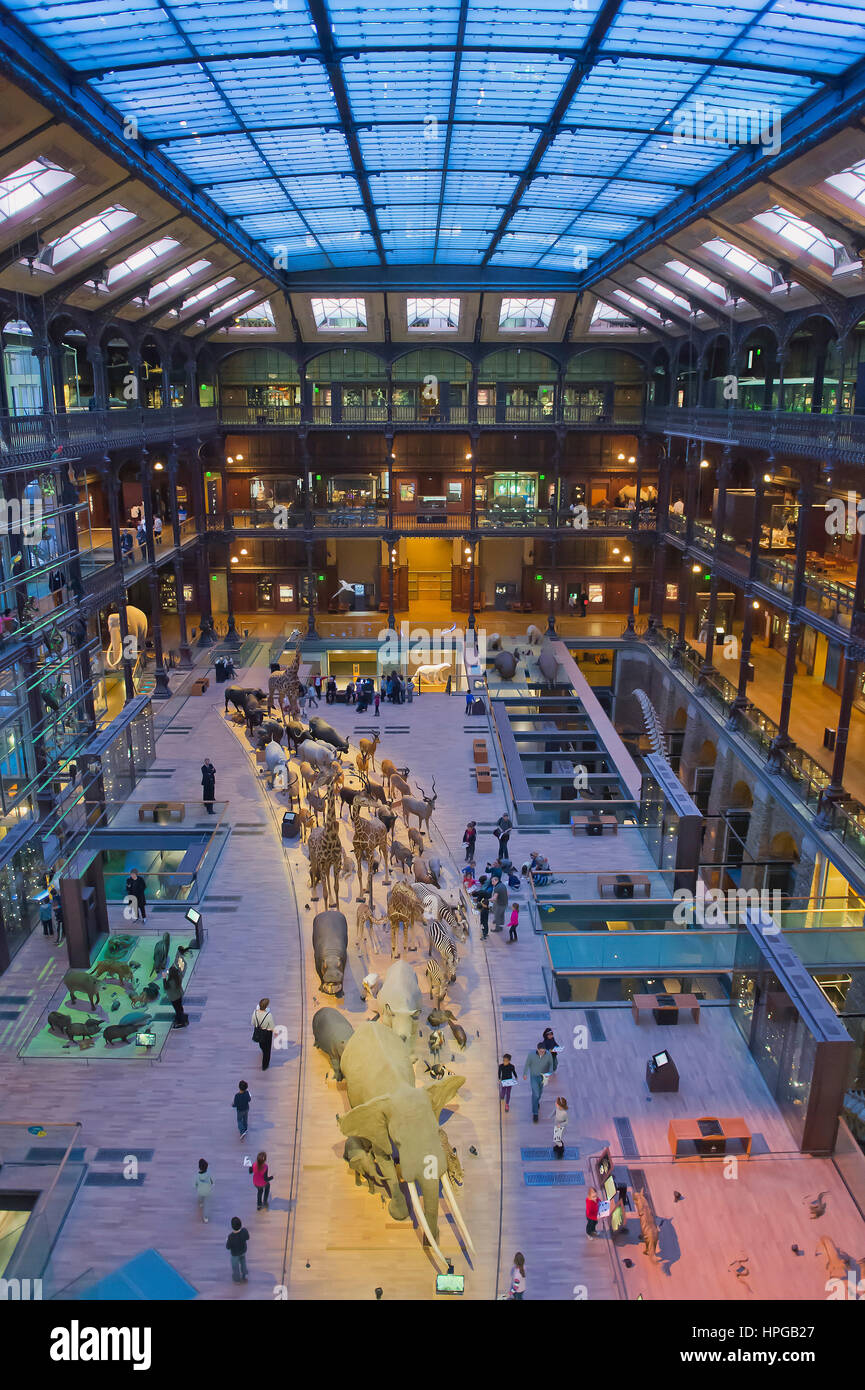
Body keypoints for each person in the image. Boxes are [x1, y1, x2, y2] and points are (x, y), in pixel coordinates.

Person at [523, 1043, 553, 1122]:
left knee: (540, 1093)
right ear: (537, 1049)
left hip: (543, 1076)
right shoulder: (531, 1055)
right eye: (541, 1051)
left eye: (543, 1052)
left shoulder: (548, 1054)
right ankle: (535, 1113)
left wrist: (549, 1073)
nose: (542, 1053)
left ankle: (536, 1102)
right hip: (534, 1076)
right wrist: (525, 1073)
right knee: (535, 1094)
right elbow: (527, 1064)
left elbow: (551, 1064)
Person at [251, 997, 274, 1070]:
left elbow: (253, 1022)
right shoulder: (268, 1015)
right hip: (267, 1033)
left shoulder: (255, 1013)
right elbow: (271, 1026)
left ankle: (263, 1050)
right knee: (267, 1050)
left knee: (262, 1045)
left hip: (259, 1031)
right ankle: (265, 1065)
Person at [226, 1216, 250, 1282]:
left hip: (235, 1254)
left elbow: (228, 1247)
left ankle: (237, 1279)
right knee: (243, 1263)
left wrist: (227, 1241)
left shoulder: (230, 1236)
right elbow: (248, 1237)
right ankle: (244, 1275)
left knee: (235, 1266)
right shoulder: (244, 1231)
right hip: (243, 1251)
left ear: (232, 1226)